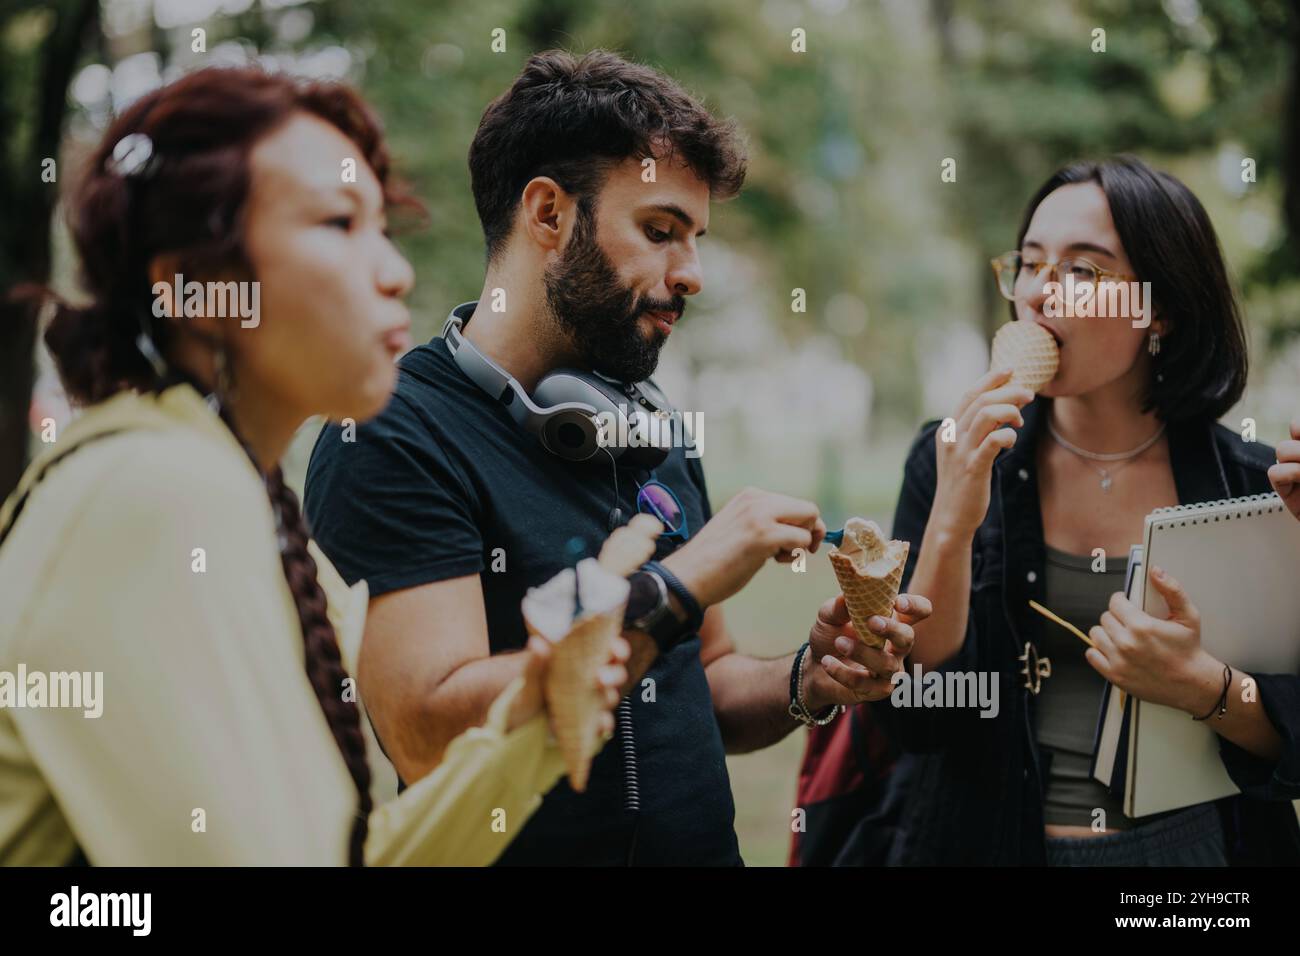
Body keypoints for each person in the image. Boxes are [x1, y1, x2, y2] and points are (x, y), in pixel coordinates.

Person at [304, 49, 931, 865]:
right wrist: (677, 583)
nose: (694, 274)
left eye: (696, 239)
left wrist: (809, 677)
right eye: (660, 231)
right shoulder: (393, 433)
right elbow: (427, 731)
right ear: (548, 214)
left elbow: (700, 684)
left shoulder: (648, 427)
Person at [0, 66, 630, 866]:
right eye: (337, 223)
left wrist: (532, 721)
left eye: (383, 229)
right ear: (195, 290)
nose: (395, 272)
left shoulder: (266, 520)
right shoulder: (154, 490)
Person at [872, 155, 1299, 865]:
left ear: (1159, 308)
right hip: (986, 841)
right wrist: (952, 519)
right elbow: (919, 716)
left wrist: (1205, 689)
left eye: (1083, 270)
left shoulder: (1255, 490)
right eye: (1031, 264)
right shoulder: (945, 458)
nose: (1040, 293)